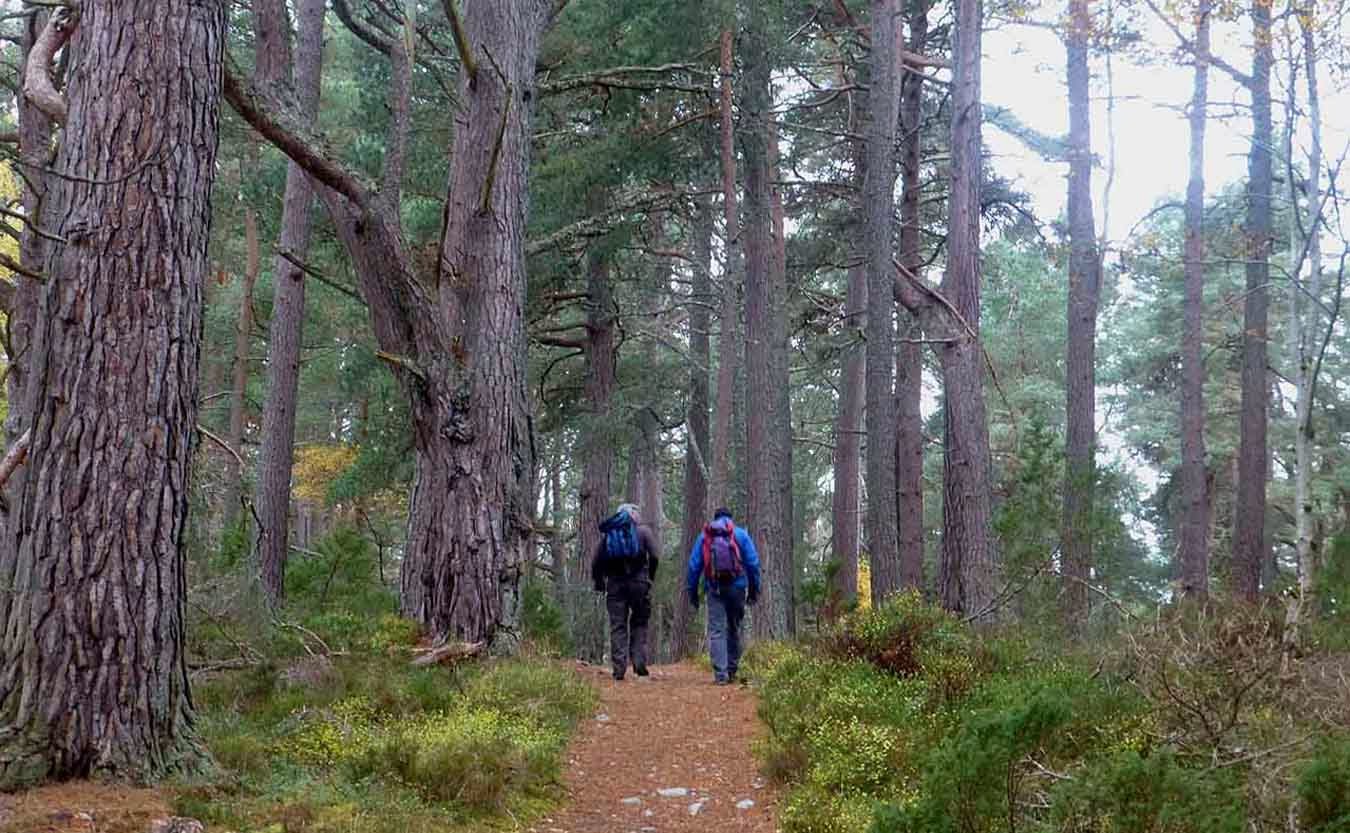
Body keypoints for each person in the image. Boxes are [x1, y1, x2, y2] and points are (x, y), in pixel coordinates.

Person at [686, 507, 761, 685]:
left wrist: (693, 593)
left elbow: (693, 567)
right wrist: (753, 590)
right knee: (734, 628)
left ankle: (721, 674)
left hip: (715, 588)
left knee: (717, 630)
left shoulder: (705, 536)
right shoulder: (740, 534)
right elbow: (753, 563)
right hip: (737, 588)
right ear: (730, 518)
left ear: (715, 518)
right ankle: (732, 670)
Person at [591, 502, 659, 681]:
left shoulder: (609, 535)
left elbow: (596, 562)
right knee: (639, 623)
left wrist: (599, 583)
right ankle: (639, 663)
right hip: (640, 585)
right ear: (634, 515)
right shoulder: (644, 532)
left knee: (618, 626)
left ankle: (619, 669)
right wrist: (650, 576)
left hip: (615, 586)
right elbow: (654, 556)